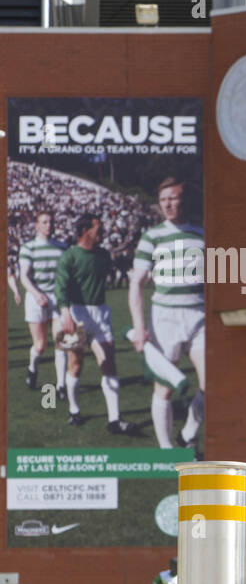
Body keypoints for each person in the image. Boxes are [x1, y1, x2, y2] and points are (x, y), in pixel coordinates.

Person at [128, 178, 206, 451]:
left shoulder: (202, 233)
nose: (168, 205)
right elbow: (136, 284)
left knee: (213, 385)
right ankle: (166, 449)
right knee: (165, 387)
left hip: (199, 316)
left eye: (173, 198)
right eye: (163, 200)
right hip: (165, 319)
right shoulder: (152, 237)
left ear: (184, 198)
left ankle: (187, 434)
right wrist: (139, 328)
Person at [54, 213, 137, 434]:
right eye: (98, 227)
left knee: (109, 364)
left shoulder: (103, 255)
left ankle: (114, 420)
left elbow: (126, 267)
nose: (103, 230)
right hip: (76, 313)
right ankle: (74, 411)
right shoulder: (69, 257)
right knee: (75, 365)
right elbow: (60, 287)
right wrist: (65, 313)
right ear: (84, 231)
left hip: (101, 313)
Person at [17, 211, 69, 398]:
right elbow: (24, 276)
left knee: (61, 343)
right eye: (44, 222)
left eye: (51, 222)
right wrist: (36, 293)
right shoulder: (28, 247)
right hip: (36, 297)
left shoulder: (62, 247)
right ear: (36, 226)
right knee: (40, 345)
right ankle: (32, 368)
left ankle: (61, 386)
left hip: (57, 298)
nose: (49, 225)